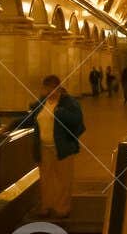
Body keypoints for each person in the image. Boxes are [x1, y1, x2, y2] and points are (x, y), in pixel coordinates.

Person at [17, 75, 85, 218]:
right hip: (43, 146)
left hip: (62, 147)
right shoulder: (42, 103)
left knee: (63, 178)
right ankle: (46, 206)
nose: (48, 91)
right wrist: (11, 126)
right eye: (46, 88)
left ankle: (62, 208)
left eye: (51, 88)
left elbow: (77, 120)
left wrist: (59, 113)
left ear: (57, 88)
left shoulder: (68, 102)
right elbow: (30, 119)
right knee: (46, 178)